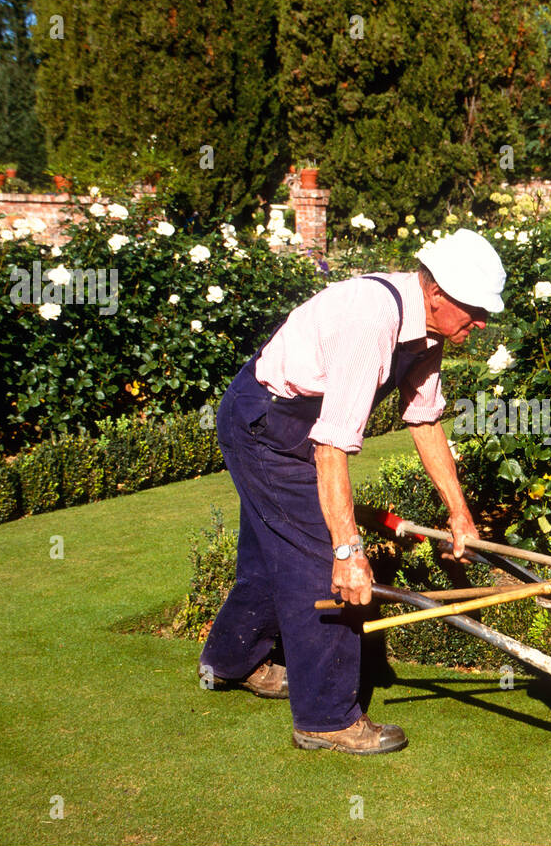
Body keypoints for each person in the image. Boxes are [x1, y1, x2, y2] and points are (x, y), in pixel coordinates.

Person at [197, 228, 506, 754]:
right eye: (475, 310)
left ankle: (231, 660)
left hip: (292, 421)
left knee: (268, 554)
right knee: (320, 562)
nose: (480, 323)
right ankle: (327, 717)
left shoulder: (427, 332)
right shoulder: (373, 320)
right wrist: (347, 550)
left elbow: (425, 419)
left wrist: (460, 514)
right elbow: (332, 447)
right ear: (437, 293)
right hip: (266, 425)